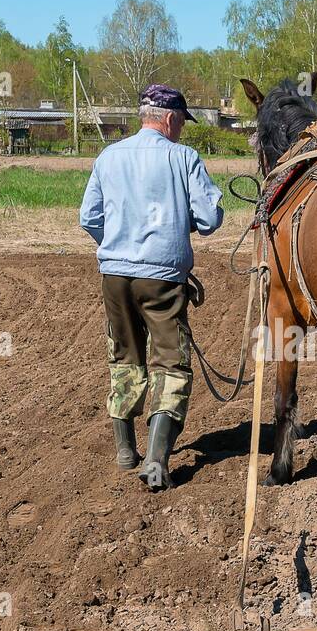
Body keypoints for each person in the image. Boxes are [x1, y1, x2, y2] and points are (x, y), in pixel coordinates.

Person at [79, 84, 224, 488]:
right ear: (171, 118)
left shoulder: (108, 157)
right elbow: (211, 219)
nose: (181, 131)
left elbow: (89, 217)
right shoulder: (184, 158)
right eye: (181, 124)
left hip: (115, 277)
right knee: (171, 364)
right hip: (161, 282)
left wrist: (118, 244)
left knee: (124, 355)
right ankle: (157, 459)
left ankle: (126, 450)